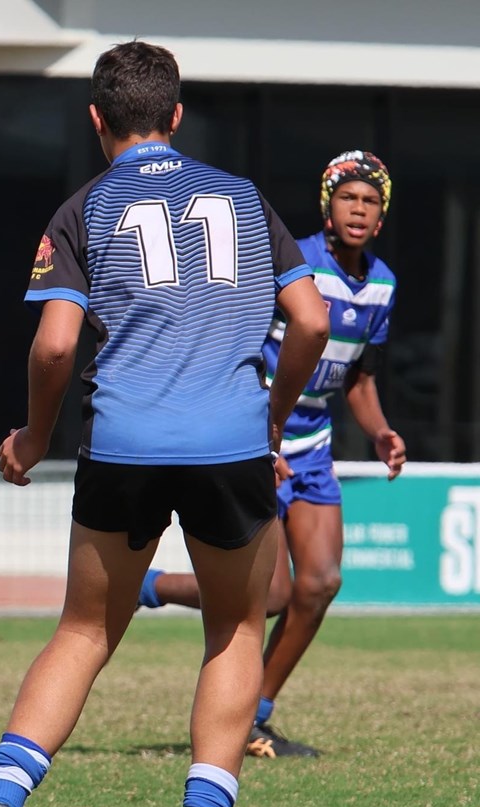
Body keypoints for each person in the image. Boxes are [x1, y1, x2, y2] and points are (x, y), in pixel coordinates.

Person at [0, 41, 330, 807]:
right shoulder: (242, 197)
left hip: (122, 445)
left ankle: (1, 805)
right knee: (234, 629)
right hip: (231, 447)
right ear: (178, 115)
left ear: (96, 120)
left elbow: (53, 344)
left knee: (83, 631)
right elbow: (310, 323)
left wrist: (36, 439)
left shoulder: (81, 208)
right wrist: (269, 416)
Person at [136, 150, 406, 759]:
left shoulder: (383, 283)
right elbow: (240, 340)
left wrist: (382, 431)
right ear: (327, 207)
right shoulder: (296, 260)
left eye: (370, 201)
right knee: (275, 593)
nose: (358, 209)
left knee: (319, 584)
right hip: (256, 435)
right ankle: (153, 587)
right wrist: (262, 424)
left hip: (312, 447)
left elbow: (358, 378)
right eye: (348, 198)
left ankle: (256, 715)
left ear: (381, 217)